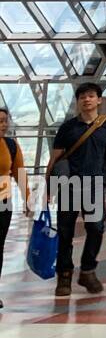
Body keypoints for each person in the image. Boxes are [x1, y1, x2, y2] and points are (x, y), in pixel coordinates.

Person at [48, 82, 106, 297]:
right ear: (78, 101)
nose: (86, 100)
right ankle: (64, 276)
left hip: (94, 186)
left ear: (99, 100)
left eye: (91, 96)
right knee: (65, 232)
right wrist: (48, 187)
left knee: (95, 228)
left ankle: (88, 270)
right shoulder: (68, 127)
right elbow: (55, 159)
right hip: (68, 186)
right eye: (82, 97)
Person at [0, 108, 32, 309]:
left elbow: (20, 173)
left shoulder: (11, 145)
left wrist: (28, 198)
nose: (3, 125)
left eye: (5, 121)